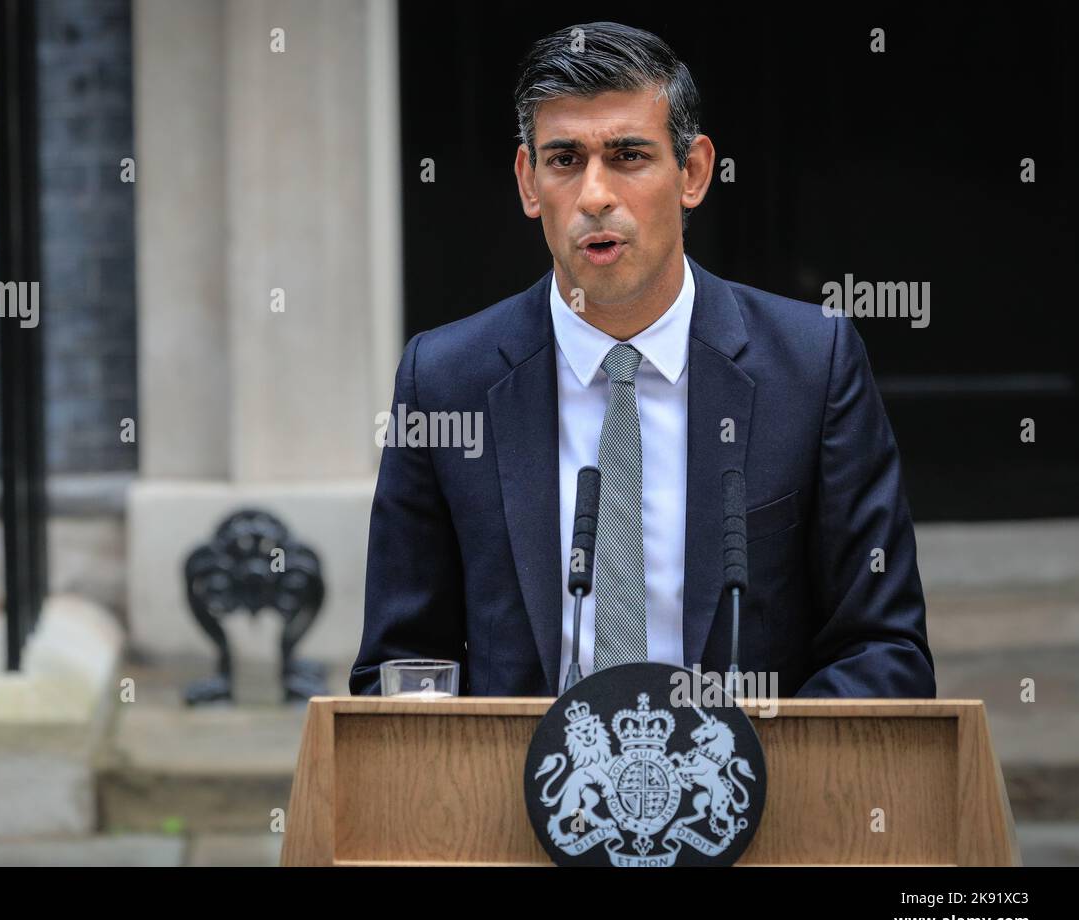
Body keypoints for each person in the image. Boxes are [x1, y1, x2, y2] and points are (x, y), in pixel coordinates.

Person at [350, 22, 935, 698]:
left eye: (628, 156)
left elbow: (883, 651)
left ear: (693, 172)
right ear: (528, 182)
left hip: (749, 794)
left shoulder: (812, 365)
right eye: (565, 159)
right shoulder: (444, 381)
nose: (595, 195)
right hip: (516, 797)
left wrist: (746, 781)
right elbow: (399, 670)